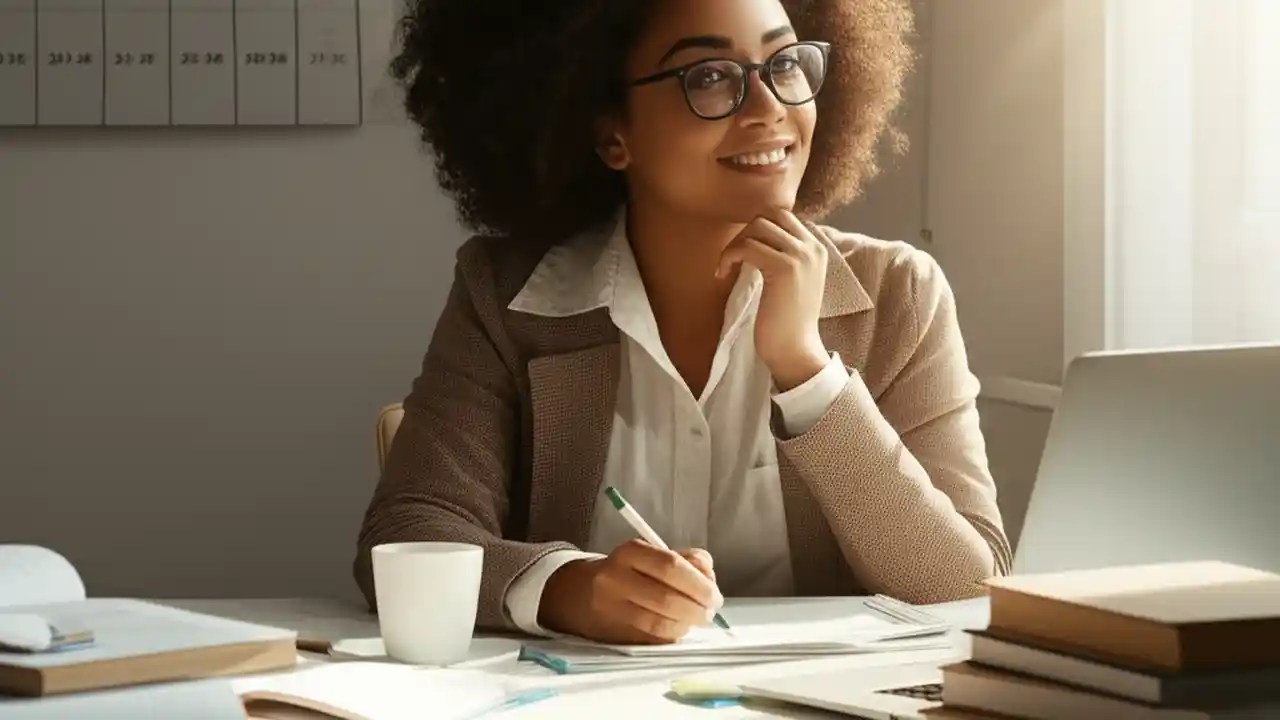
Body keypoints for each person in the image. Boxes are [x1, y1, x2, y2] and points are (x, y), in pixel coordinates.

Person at [355, 0, 1011, 645]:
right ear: (613, 133)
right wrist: (567, 590)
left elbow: (968, 588)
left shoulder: (897, 294)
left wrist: (809, 374)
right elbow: (409, 536)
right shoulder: (505, 297)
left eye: (784, 64)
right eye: (709, 76)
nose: (768, 108)